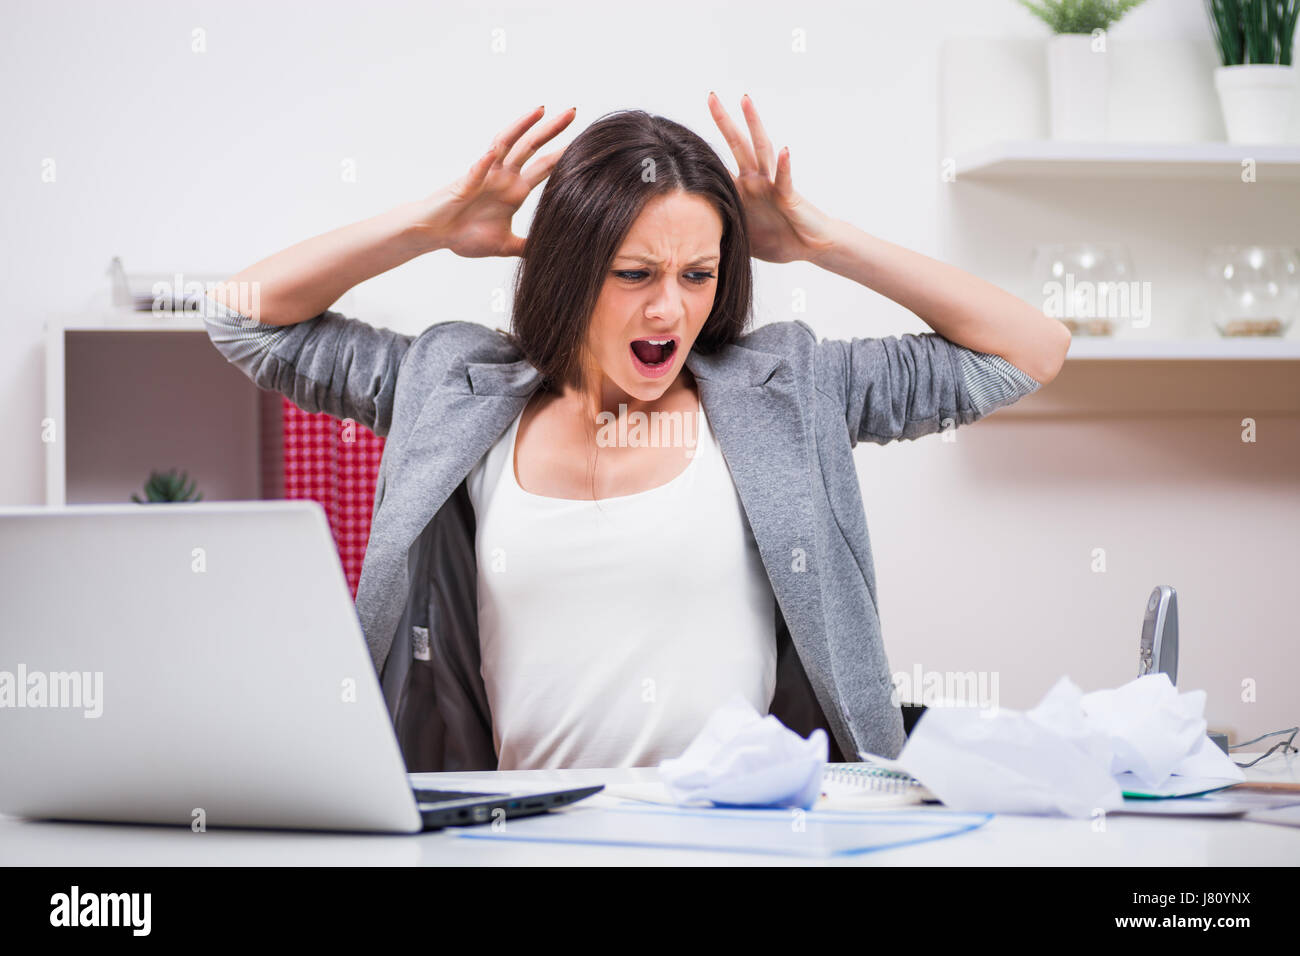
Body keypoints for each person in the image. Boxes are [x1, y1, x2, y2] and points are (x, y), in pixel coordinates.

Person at [202, 95, 1069, 772]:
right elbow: (243, 320)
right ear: (569, 270)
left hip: (743, 846)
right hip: (522, 844)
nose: (671, 308)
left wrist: (821, 240)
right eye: (634, 274)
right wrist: (428, 227)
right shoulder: (452, 393)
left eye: (699, 274)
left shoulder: (788, 393)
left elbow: (1030, 350)